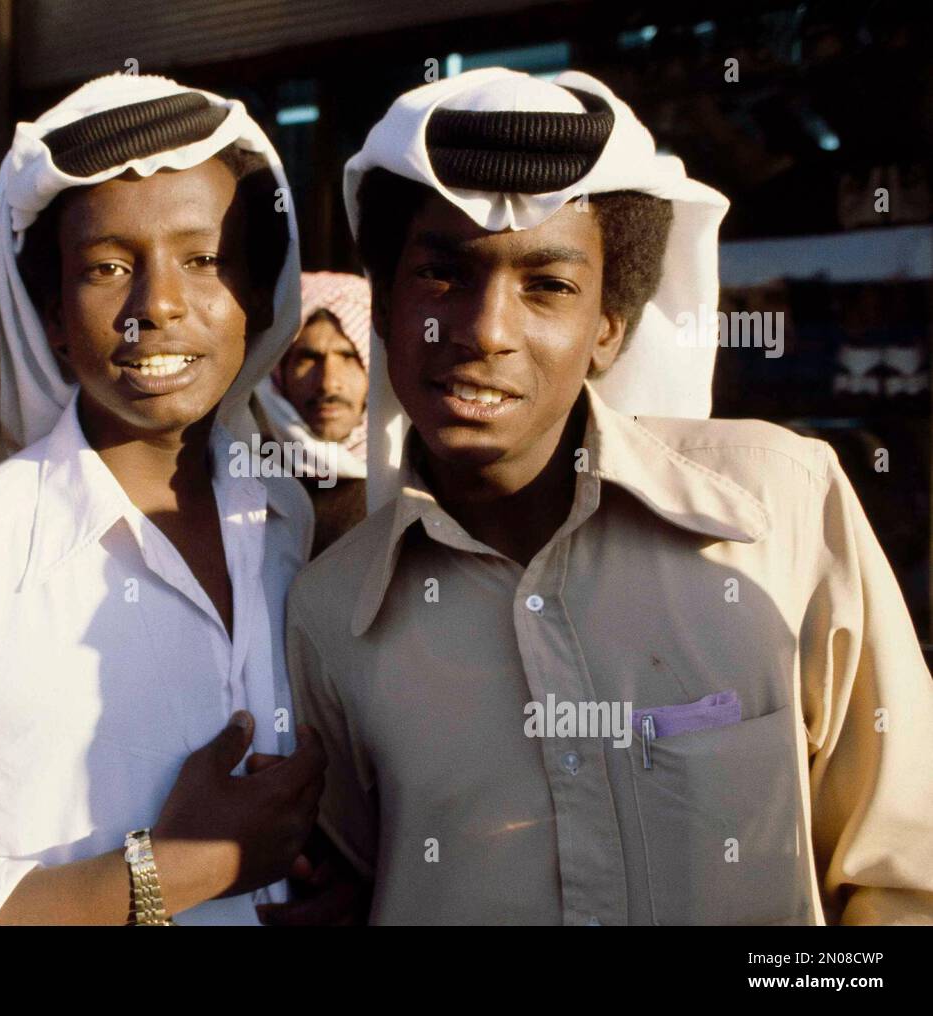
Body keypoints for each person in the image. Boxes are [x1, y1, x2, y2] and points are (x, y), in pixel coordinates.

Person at [286, 67, 933, 925]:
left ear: (609, 330)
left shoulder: (778, 504)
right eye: (443, 274)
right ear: (386, 311)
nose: (486, 331)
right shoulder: (332, 612)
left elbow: (900, 876)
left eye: (547, 286)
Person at [0, 74, 329, 926]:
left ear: (258, 296)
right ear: (49, 312)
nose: (156, 306)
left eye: (204, 260)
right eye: (108, 267)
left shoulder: (285, 523)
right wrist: (166, 876)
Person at [255, 271, 371, 555]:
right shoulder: (244, 482)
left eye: (348, 357)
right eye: (308, 358)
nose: (328, 382)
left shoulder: (412, 481)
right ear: (278, 374)